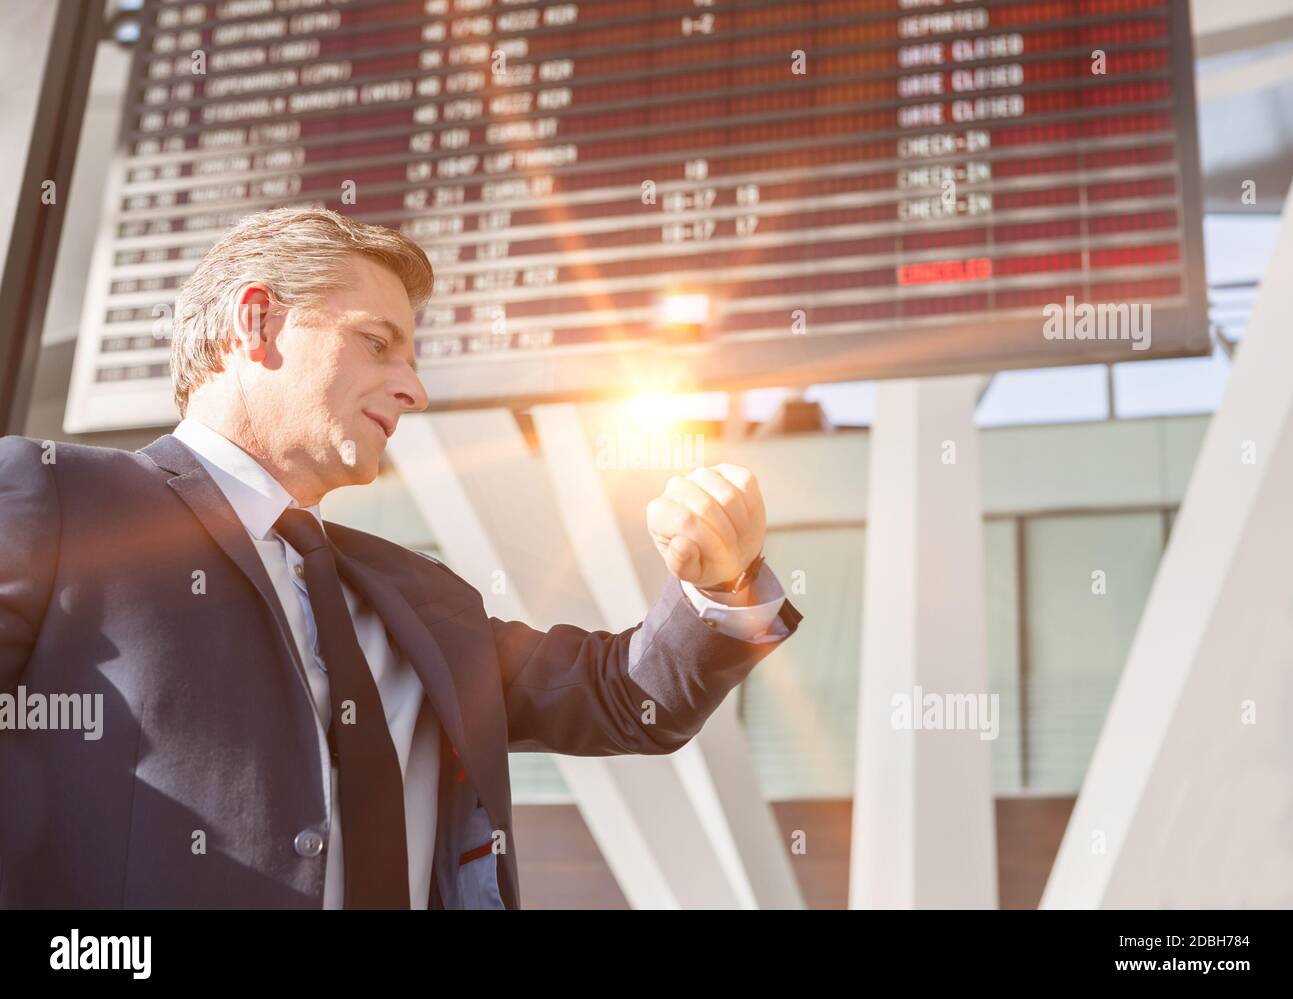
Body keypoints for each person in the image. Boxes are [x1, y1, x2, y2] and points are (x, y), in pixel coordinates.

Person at [0, 206, 803, 908]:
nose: (412, 388)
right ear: (256, 322)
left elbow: (623, 695)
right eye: (378, 343)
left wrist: (718, 583)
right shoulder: (58, 500)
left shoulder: (421, 595)